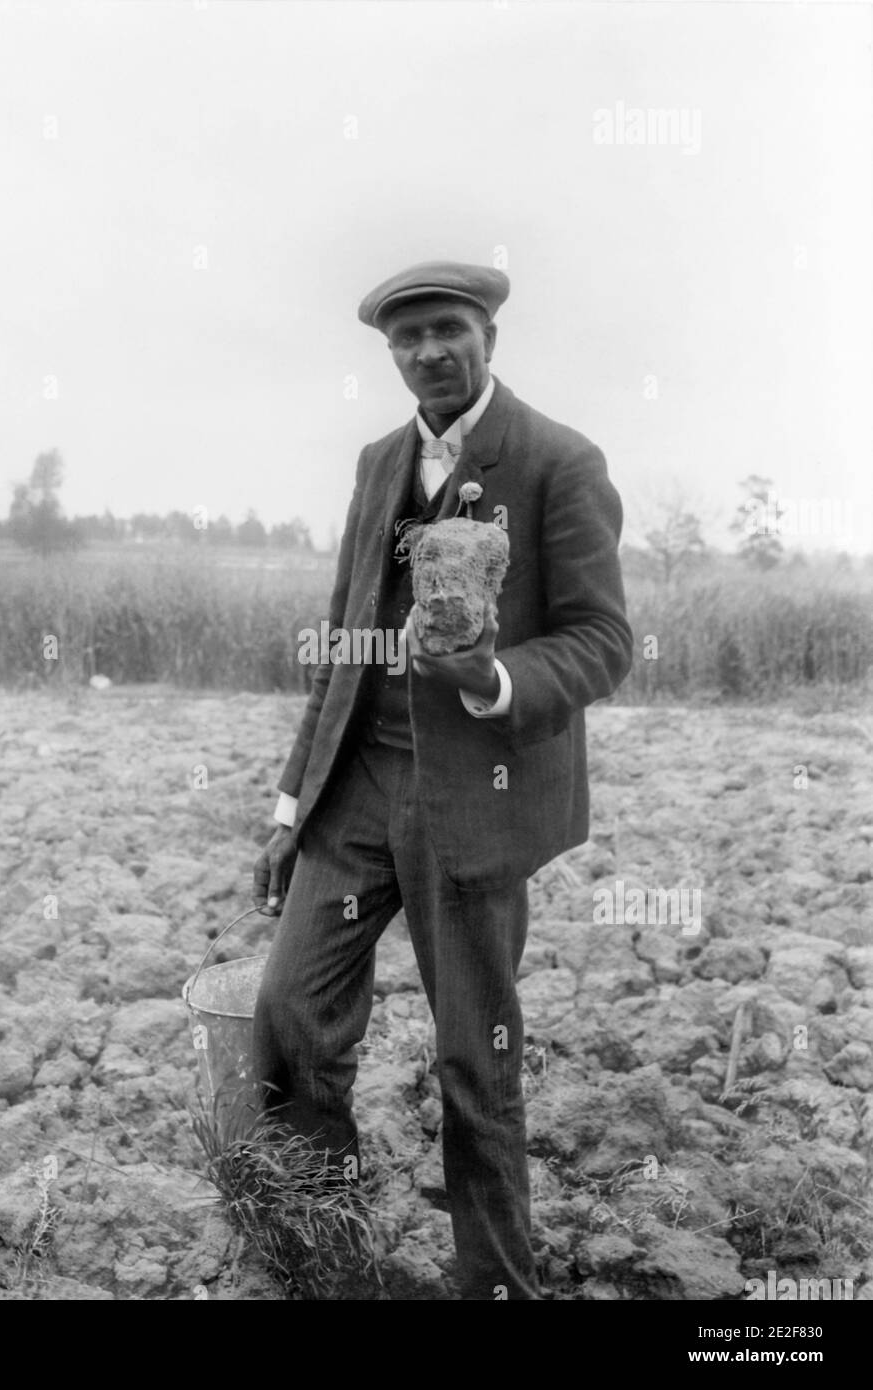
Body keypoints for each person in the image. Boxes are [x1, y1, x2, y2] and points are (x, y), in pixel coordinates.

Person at [251, 260, 633, 1300]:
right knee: (289, 1010)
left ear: (489, 338)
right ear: (390, 353)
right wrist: (292, 805)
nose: (427, 351)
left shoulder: (557, 461)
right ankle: (332, 1260)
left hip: (478, 797)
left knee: (476, 1061)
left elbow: (602, 640)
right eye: (406, 336)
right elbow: (342, 639)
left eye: (447, 330)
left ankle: (494, 1286)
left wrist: (496, 676)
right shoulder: (380, 461)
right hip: (358, 789)